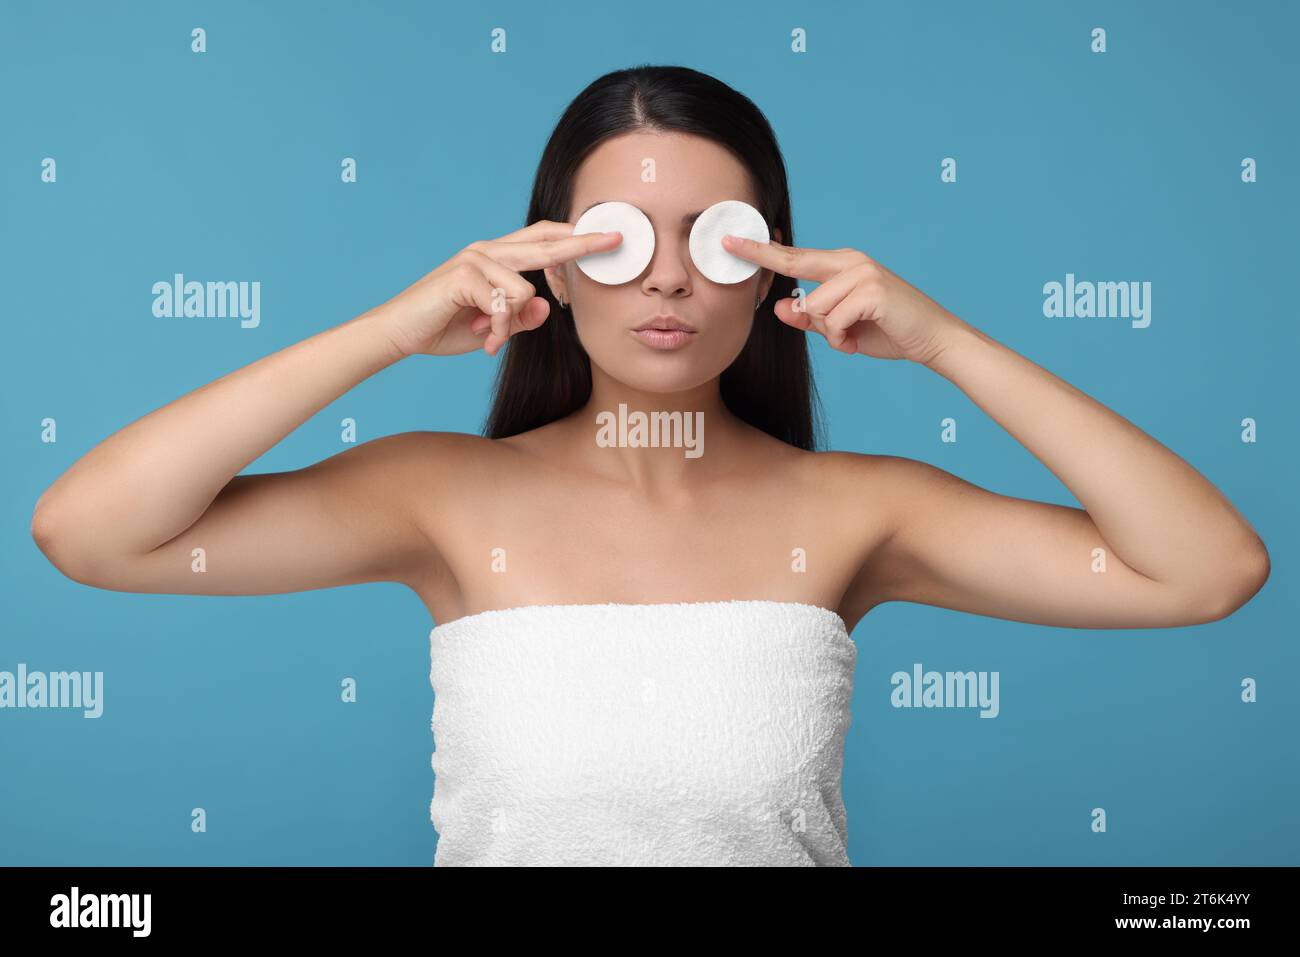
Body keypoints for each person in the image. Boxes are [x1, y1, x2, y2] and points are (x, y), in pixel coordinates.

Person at [29, 65, 1269, 866]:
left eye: (716, 239)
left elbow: (1207, 571)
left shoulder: (856, 512)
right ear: (556, 266)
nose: (670, 276)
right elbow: (92, 532)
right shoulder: (445, 497)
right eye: (620, 239)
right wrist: (382, 332)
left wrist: (946, 345)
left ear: (771, 262)